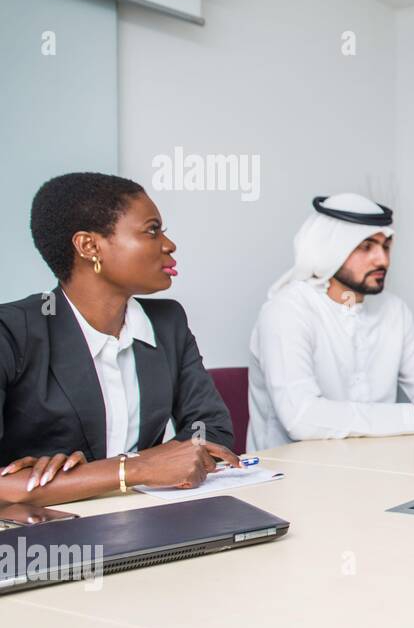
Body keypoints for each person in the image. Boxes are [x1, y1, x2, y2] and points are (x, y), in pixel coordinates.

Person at [0, 173, 240, 506]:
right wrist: (137, 468)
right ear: (89, 246)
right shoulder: (12, 331)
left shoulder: (167, 322)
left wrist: (86, 476)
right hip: (40, 539)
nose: (168, 245)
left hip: (142, 517)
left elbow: (211, 432)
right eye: (152, 230)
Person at [247, 193, 414, 450]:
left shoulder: (393, 310)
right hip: (292, 477)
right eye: (366, 246)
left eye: (385, 246)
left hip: (380, 467)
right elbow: (302, 418)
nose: (382, 259)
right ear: (330, 250)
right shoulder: (287, 311)